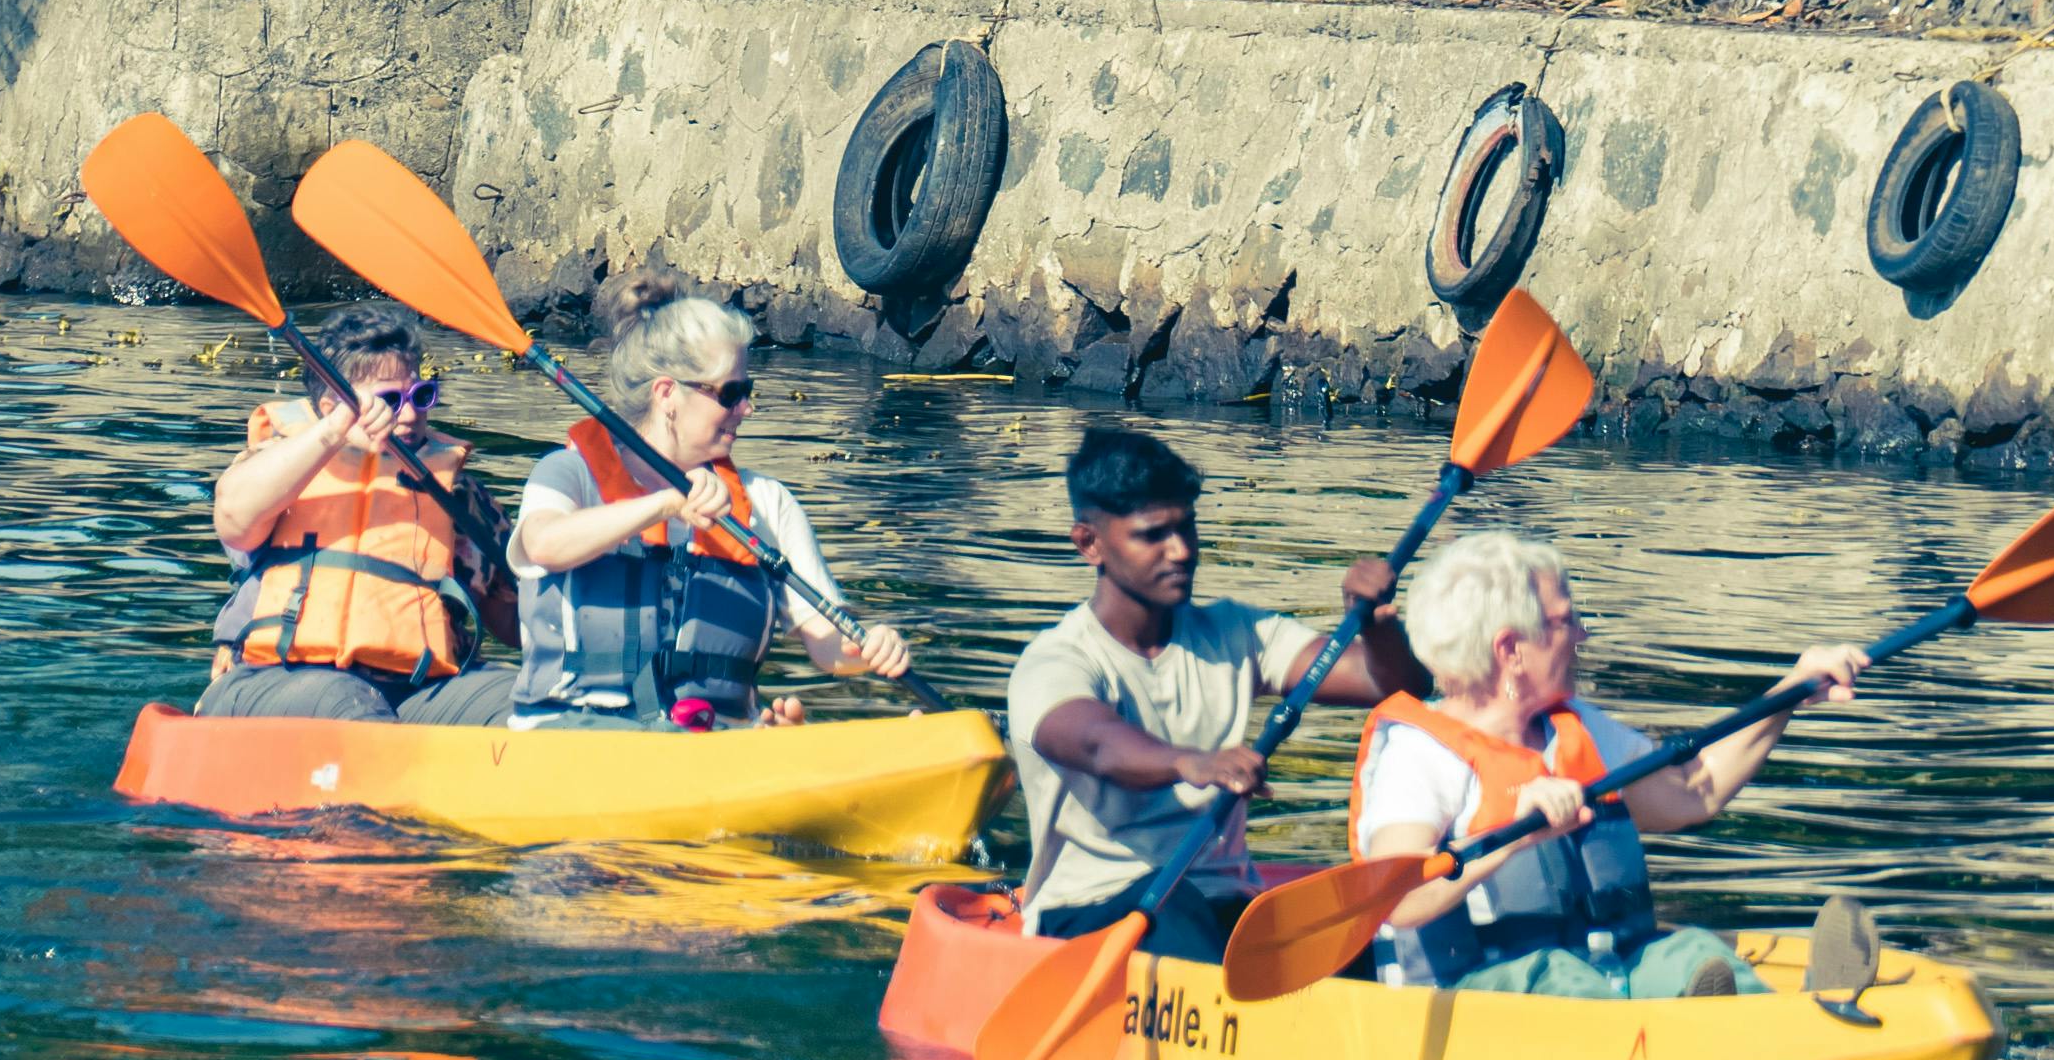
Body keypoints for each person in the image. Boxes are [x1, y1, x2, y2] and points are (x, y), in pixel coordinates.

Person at [1351, 529, 1873, 1001]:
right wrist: (1512, 836)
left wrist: (1790, 693)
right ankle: (1707, 1034)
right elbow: (1396, 899)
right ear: (1510, 649)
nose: (1582, 635)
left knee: (1693, 952)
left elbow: (1694, 791)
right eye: (1565, 621)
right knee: (1561, 977)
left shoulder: (1576, 728)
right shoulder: (1420, 753)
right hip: (1475, 1000)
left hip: (1605, 971)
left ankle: (1797, 1019)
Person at [1006, 423, 1427, 967]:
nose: (1181, 551)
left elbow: (1390, 686)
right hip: (1090, 909)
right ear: (1090, 544)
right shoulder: (1056, 661)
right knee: (1180, 912)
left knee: (1357, 943)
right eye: (1153, 535)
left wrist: (1375, 627)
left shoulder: (1234, 633)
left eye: (1187, 527)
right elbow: (1096, 745)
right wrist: (1191, 763)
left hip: (1220, 899)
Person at [505, 280, 911, 727]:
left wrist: (870, 649)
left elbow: (829, 646)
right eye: (730, 393)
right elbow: (543, 545)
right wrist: (665, 505)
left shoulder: (768, 502)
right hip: (572, 730)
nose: (746, 409)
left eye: (748, 390)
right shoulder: (567, 474)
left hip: (714, 738)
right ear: (667, 394)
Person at [197, 304, 520, 723]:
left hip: (419, 687)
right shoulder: (279, 468)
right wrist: (335, 431)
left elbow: (514, 621)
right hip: (275, 678)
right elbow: (235, 521)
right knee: (347, 701)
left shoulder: (458, 497)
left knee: (528, 701)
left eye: (420, 396)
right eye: (390, 401)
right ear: (330, 407)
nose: (410, 415)